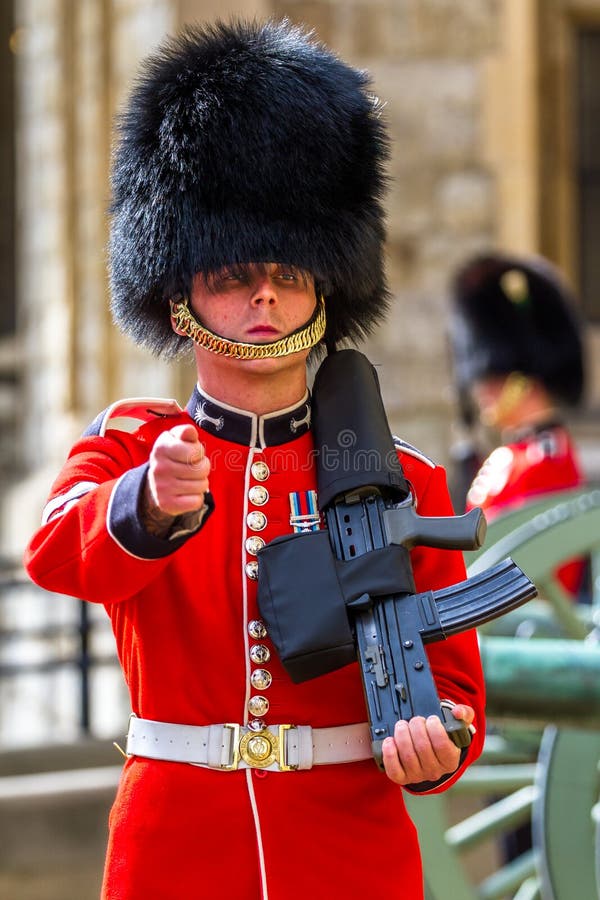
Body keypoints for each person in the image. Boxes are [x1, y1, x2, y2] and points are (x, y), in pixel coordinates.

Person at [24, 20, 485, 899]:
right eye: (234, 275)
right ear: (181, 290)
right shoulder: (131, 446)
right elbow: (55, 554)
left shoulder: (407, 479)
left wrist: (438, 747)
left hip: (349, 852)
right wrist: (148, 505)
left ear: (325, 286)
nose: (266, 295)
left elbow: (455, 691)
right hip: (177, 849)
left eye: (290, 272)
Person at [449, 251, 587, 597]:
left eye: (494, 377)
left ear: (523, 381)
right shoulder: (515, 455)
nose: (481, 390)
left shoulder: (542, 459)